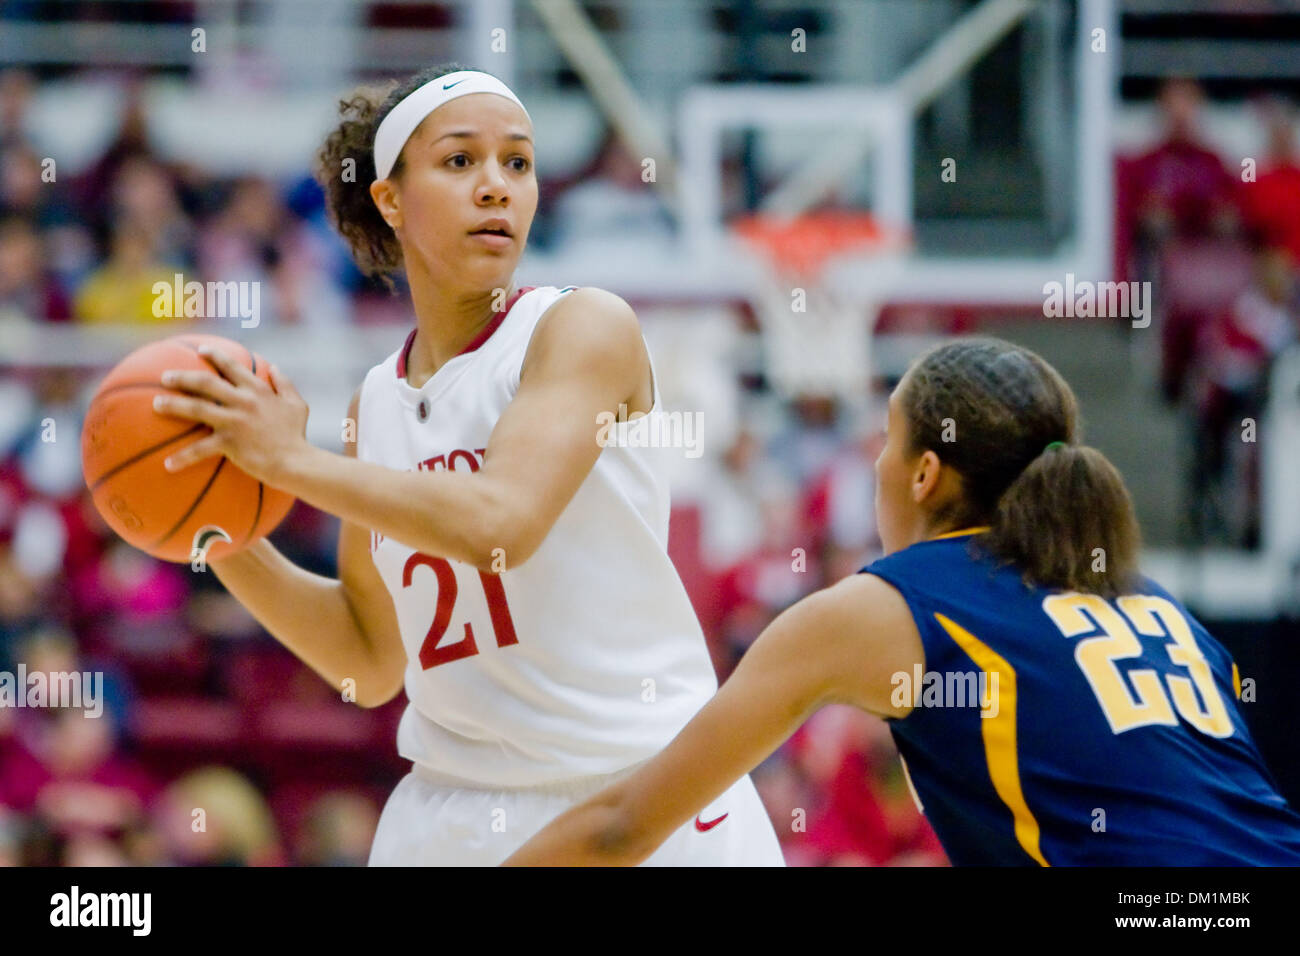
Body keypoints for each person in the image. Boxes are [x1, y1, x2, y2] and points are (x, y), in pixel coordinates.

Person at [149, 63, 783, 866]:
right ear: (389, 198)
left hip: (640, 793)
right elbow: (369, 660)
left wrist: (290, 462)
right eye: (460, 162)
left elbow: (503, 523)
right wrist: (215, 531)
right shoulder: (375, 404)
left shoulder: (581, 327)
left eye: (517, 163)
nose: (497, 187)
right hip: (451, 810)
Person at [503, 338, 1300, 866]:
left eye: (886, 441)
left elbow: (624, 825)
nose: (876, 462)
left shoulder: (887, 607)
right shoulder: (1155, 603)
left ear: (923, 475)